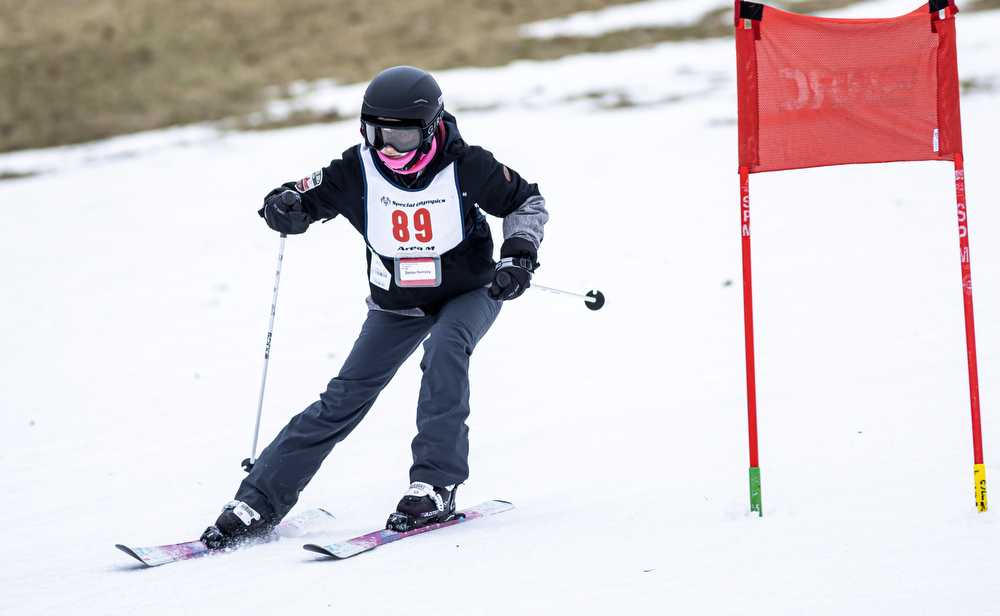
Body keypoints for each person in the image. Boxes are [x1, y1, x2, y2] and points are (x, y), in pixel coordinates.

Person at [200, 65, 547, 548]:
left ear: (429, 130)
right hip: (397, 304)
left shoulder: (467, 165)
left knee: (445, 350)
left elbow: (526, 202)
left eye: (400, 136)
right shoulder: (354, 168)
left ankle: (434, 485)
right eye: (374, 132)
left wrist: (519, 258)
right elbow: (297, 196)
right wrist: (283, 207)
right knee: (343, 397)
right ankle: (259, 500)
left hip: (470, 292)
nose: (386, 147)